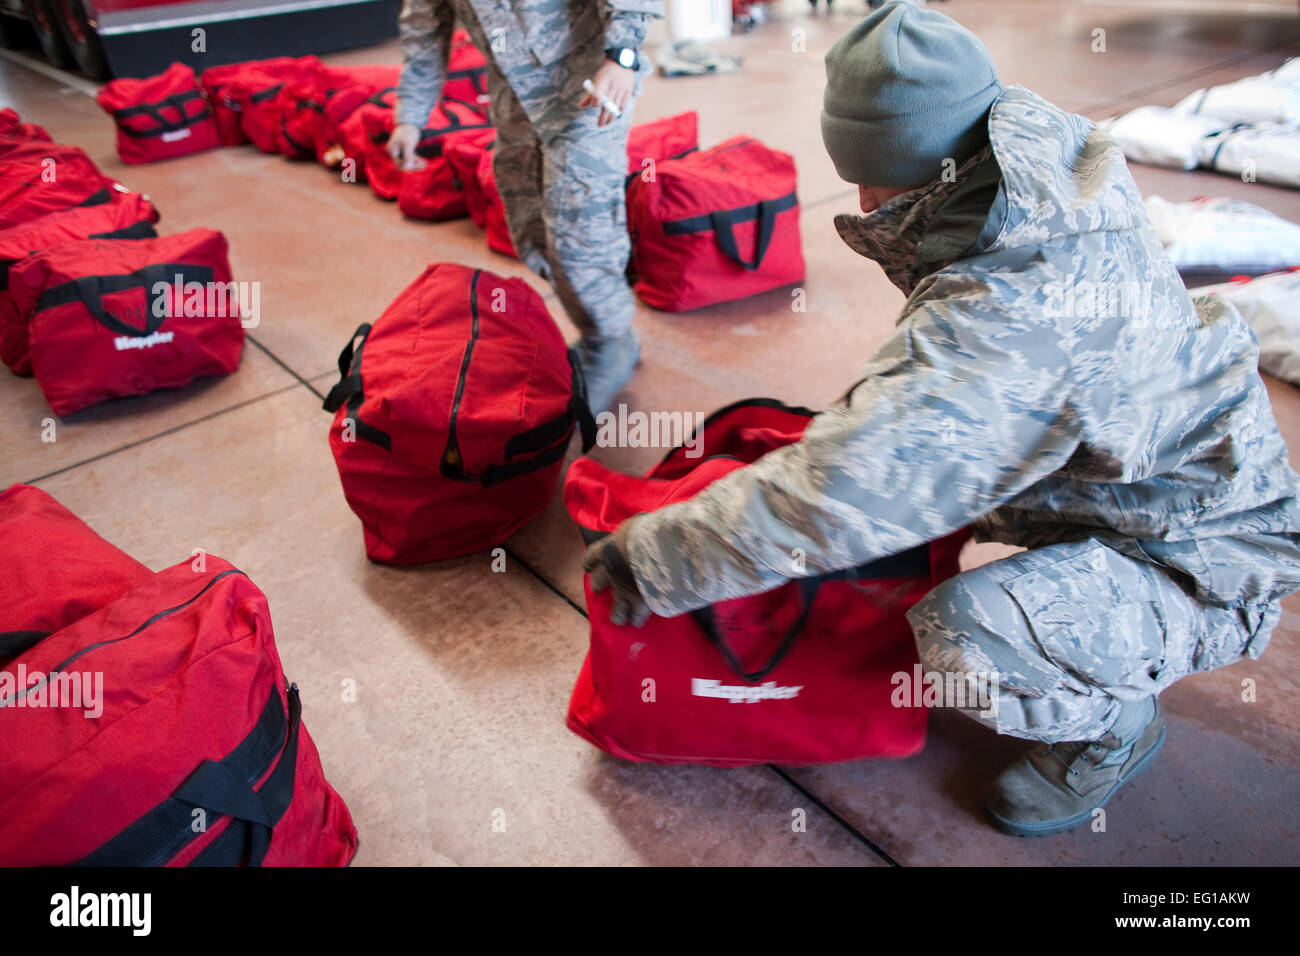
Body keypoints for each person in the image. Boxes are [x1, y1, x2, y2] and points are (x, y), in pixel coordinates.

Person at [584, 0, 1300, 836]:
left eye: (864, 174)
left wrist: (654, 559)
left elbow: (836, 497)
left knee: (966, 636)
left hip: (1203, 556)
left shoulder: (1011, 311)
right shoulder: (1032, 158)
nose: (857, 194)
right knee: (885, 448)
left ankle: (1112, 727)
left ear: (895, 166)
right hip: (1139, 473)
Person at [390, 0, 663, 414]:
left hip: (591, 87)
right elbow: (425, 31)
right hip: (515, 100)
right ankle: (603, 329)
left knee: (577, 234)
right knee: (531, 231)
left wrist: (622, 56)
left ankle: (609, 342)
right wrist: (409, 117)